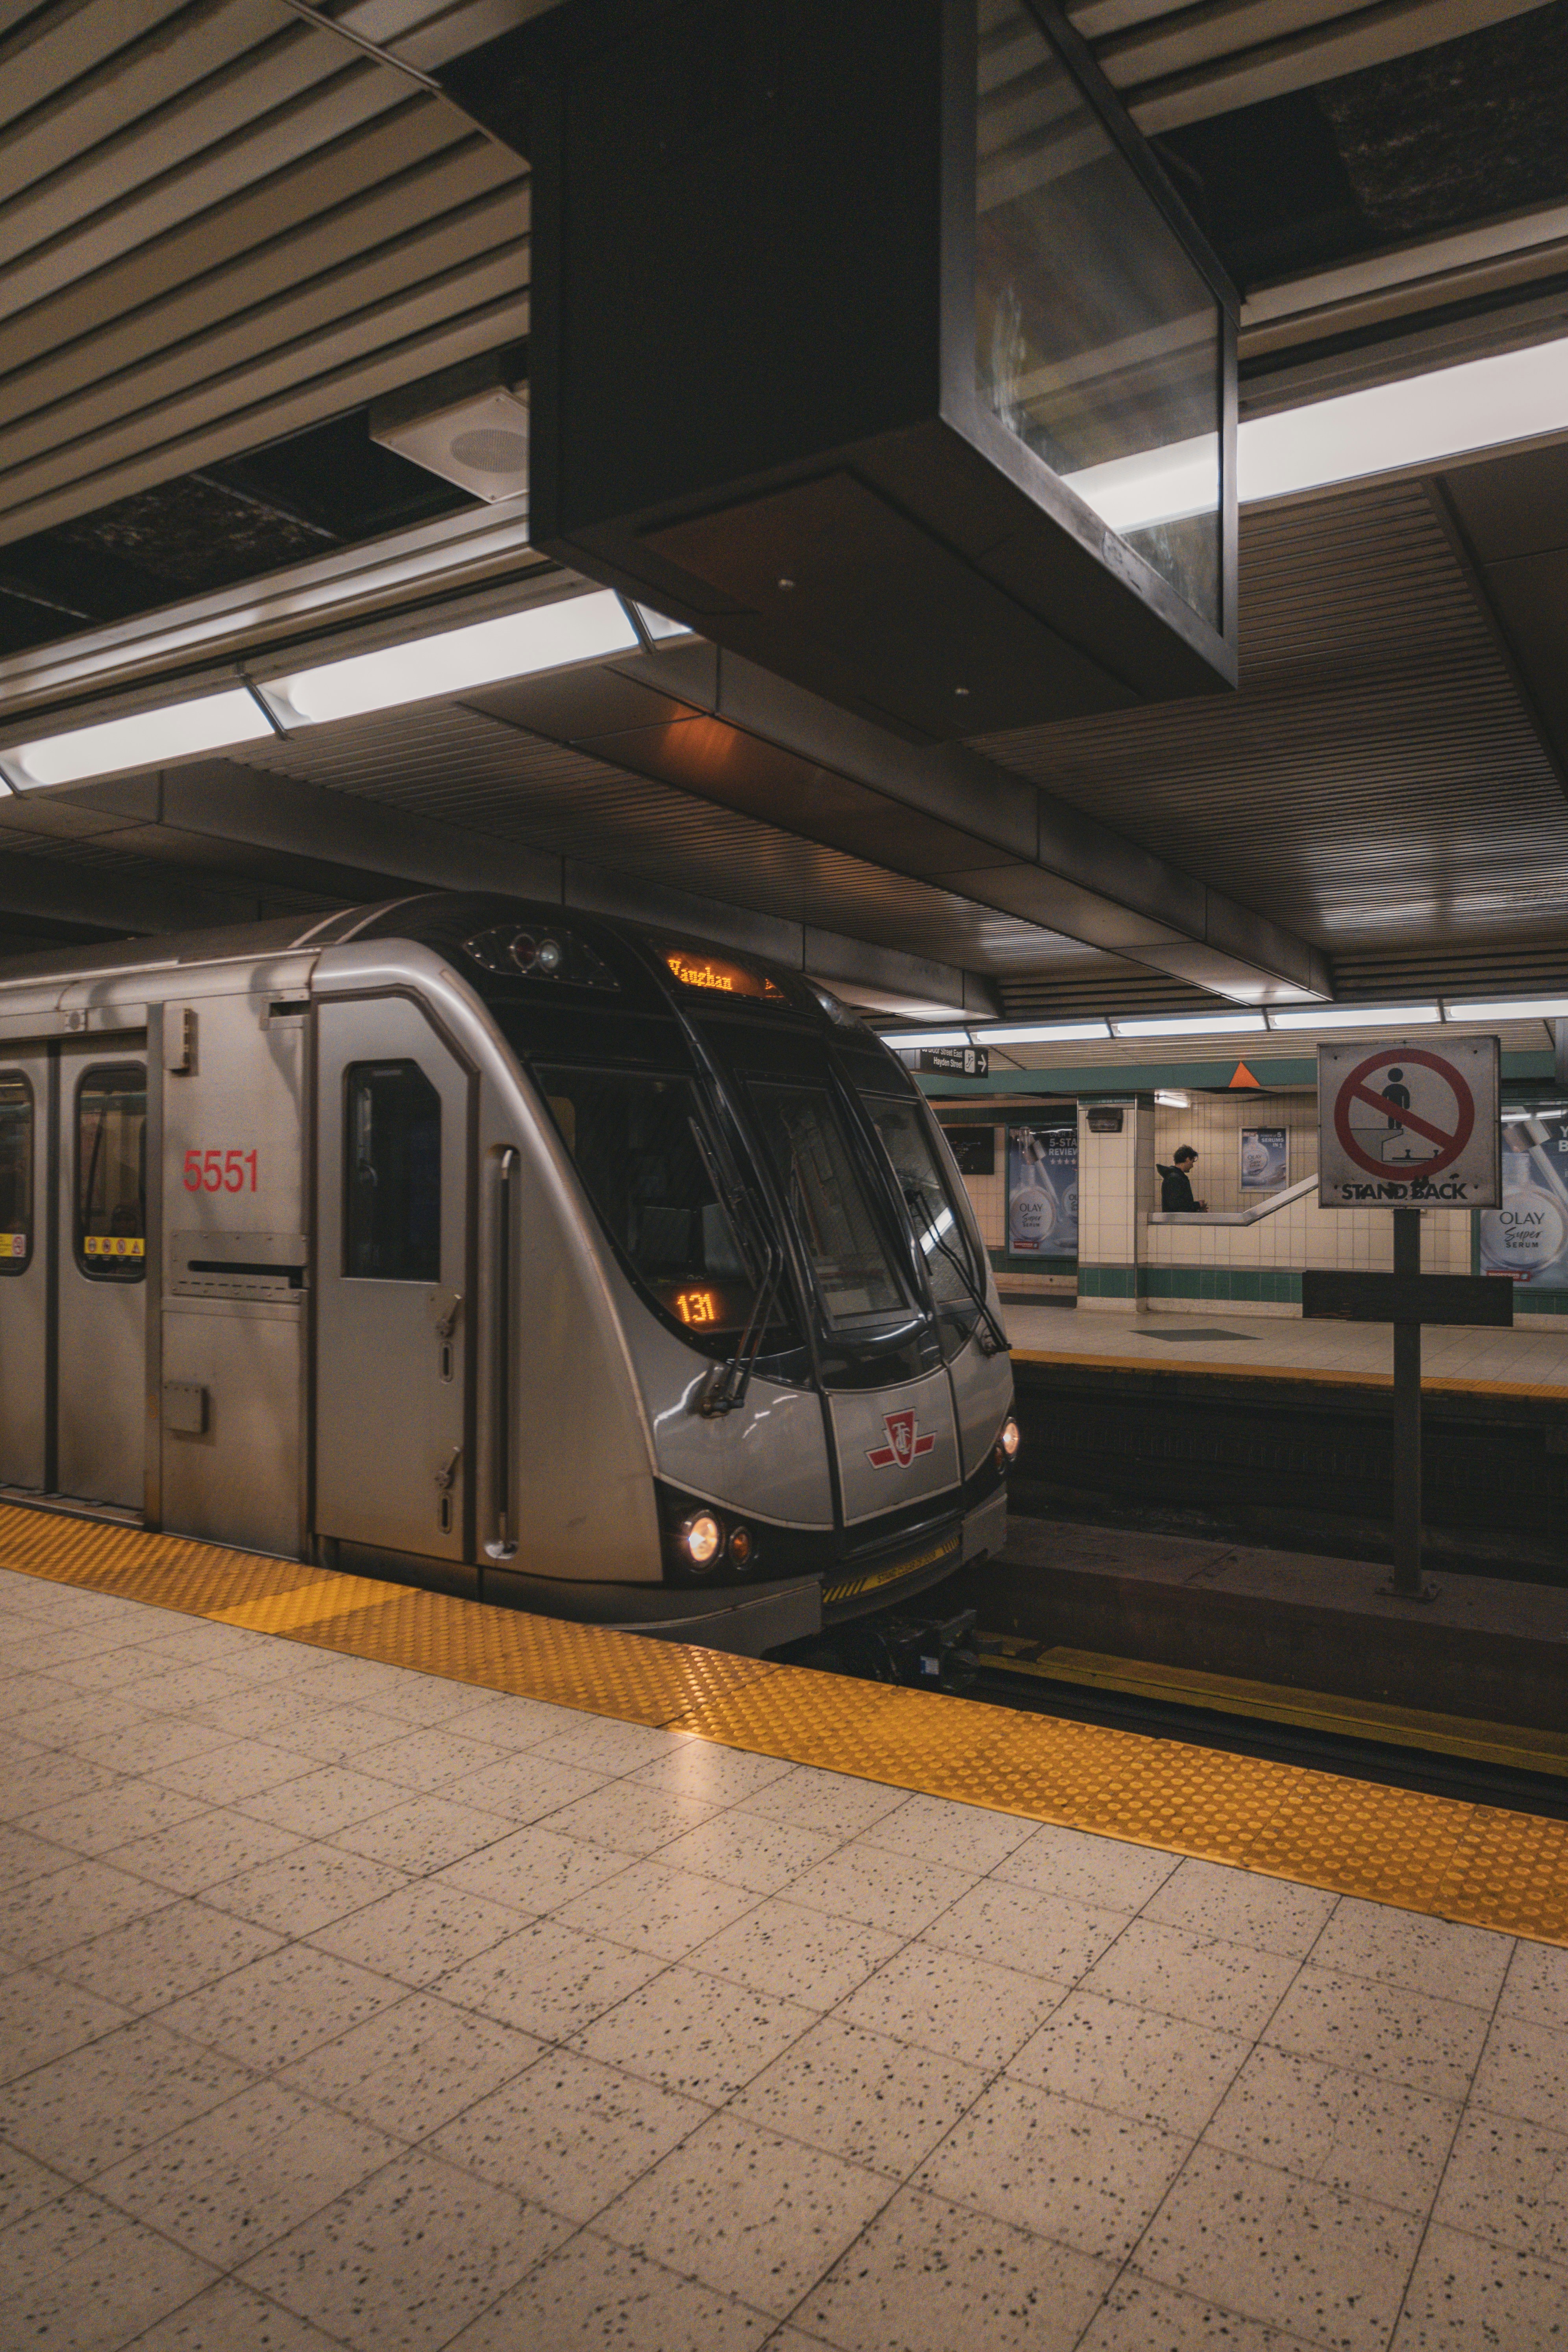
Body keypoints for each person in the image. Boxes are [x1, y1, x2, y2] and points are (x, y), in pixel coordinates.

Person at [1158, 1145, 1207, 1212]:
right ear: (1187, 1160)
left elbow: (1180, 1205)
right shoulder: (1175, 1179)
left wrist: (1197, 1208)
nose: (1192, 1166)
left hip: (1175, 1221)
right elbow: (1177, 1207)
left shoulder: (1175, 1177)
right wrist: (1198, 1205)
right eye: (1192, 1162)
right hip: (1176, 1221)